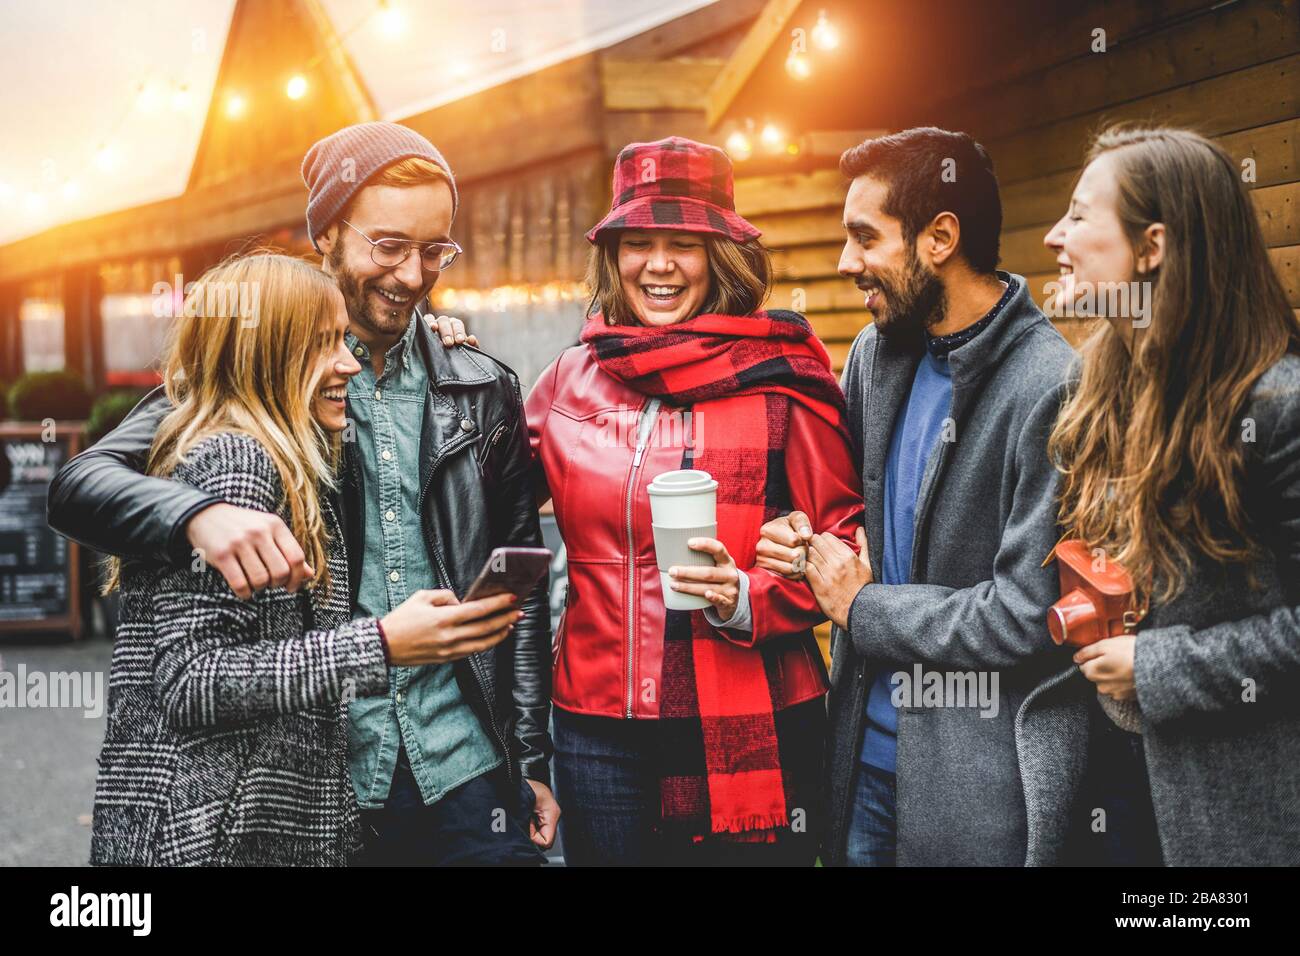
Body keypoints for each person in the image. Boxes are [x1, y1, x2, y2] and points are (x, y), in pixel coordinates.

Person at [49, 123, 556, 866]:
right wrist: (196, 512)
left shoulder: (481, 385)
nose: (414, 276)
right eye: (388, 247)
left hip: (466, 764)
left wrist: (532, 757)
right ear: (326, 236)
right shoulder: (262, 380)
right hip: (323, 774)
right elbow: (78, 485)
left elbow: (523, 584)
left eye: (434, 250)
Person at [516, 136, 864, 865]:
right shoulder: (569, 379)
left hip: (754, 712)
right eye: (638, 241)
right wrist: (445, 354)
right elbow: (485, 506)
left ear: (721, 256)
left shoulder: (782, 377)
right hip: (596, 728)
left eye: (685, 242)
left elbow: (849, 546)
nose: (659, 263)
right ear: (614, 256)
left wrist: (748, 595)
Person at [755, 128, 1075, 865]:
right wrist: (797, 538)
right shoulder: (876, 352)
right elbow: (845, 517)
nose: (846, 263)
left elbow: (1026, 615)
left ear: (940, 238)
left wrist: (864, 607)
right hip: (858, 757)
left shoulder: (1051, 386)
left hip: (970, 789)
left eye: (865, 238)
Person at [1020, 125, 1300, 866]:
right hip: (1104, 778)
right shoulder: (1092, 384)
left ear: (1152, 248)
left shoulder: (1278, 409)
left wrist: (1160, 667)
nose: (1055, 236)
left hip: (1230, 802)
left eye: (1080, 216)